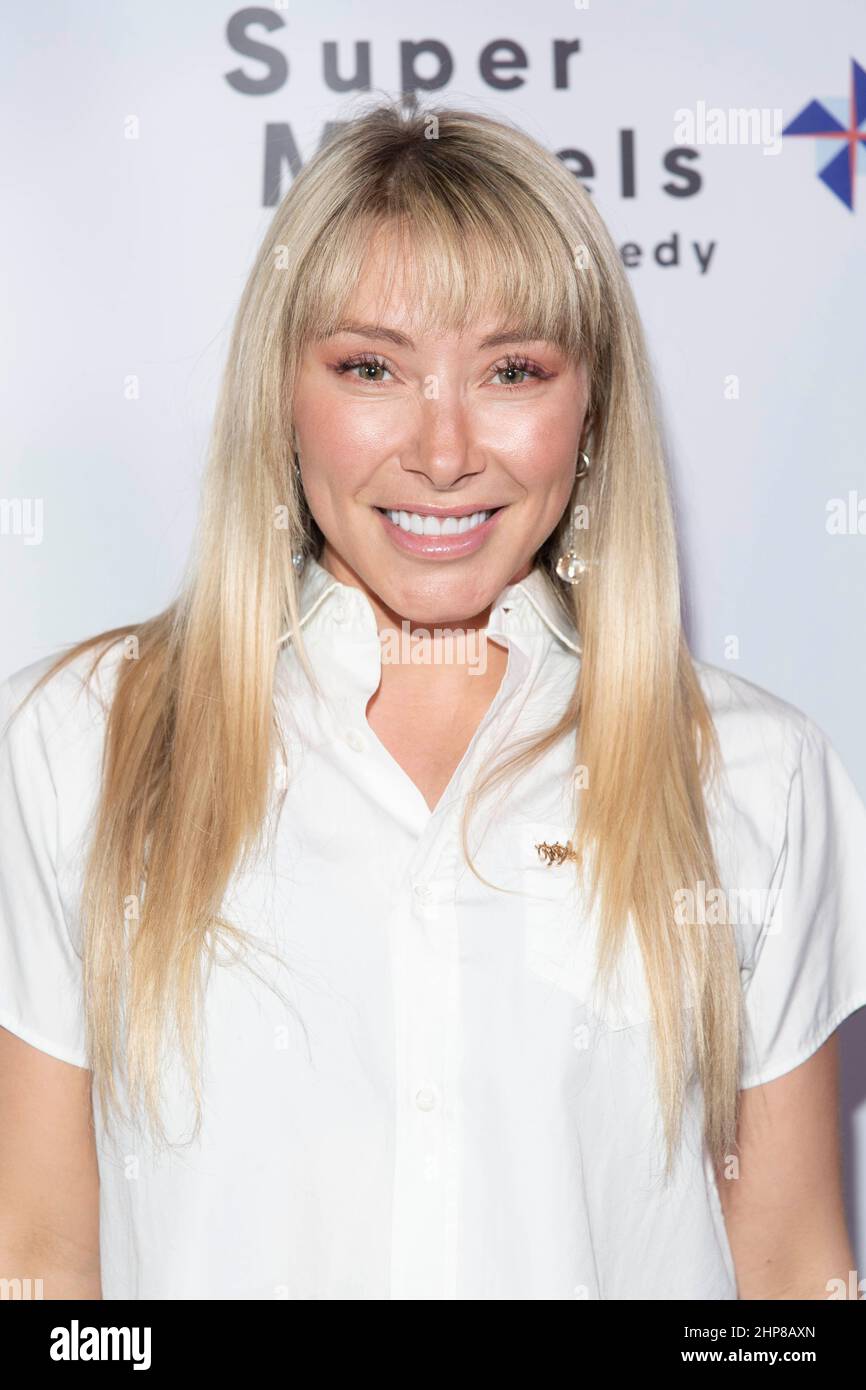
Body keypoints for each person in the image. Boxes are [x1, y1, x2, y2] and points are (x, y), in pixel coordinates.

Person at [1, 100, 865, 1302]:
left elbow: (788, 1279)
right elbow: (40, 1267)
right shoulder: (76, 744)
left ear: (590, 408)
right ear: (281, 394)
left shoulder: (754, 776)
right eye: (371, 367)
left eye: (512, 369)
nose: (444, 448)